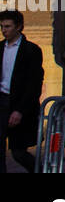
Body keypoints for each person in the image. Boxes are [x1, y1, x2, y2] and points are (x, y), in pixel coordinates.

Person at [0, 11, 43, 173]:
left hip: (19, 104)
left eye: (8, 26)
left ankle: (40, 170)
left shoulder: (31, 50)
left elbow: (34, 84)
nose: (4, 30)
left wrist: (20, 110)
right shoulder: (0, 48)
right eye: (2, 27)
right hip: (2, 101)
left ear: (19, 27)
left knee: (18, 153)